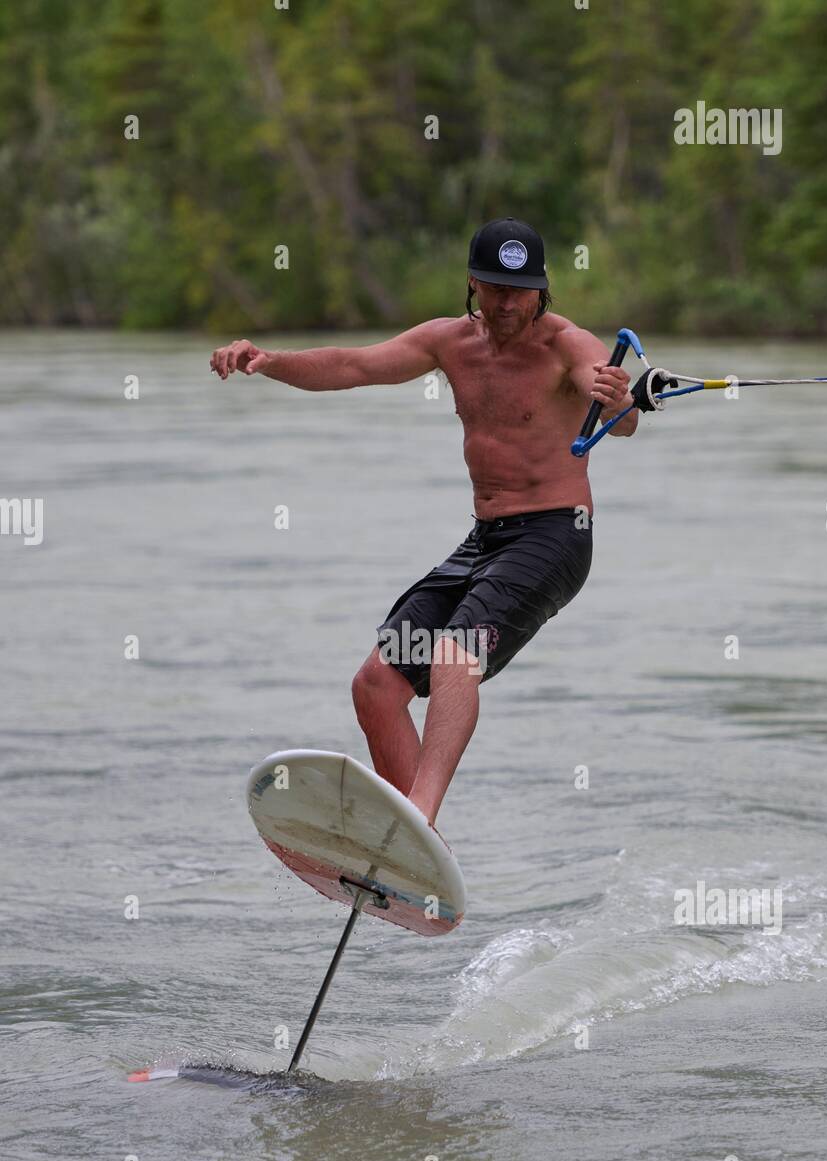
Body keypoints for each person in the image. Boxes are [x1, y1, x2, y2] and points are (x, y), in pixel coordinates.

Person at [210, 217, 636, 824]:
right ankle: (419, 852)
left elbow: (620, 417)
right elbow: (353, 366)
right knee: (377, 685)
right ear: (472, 284)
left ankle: (419, 819)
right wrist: (268, 360)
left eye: (521, 291)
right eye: (495, 288)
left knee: (455, 652)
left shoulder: (567, 346)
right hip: (485, 540)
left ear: (542, 290)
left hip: (553, 536)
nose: (508, 303)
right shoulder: (449, 342)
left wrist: (618, 400)